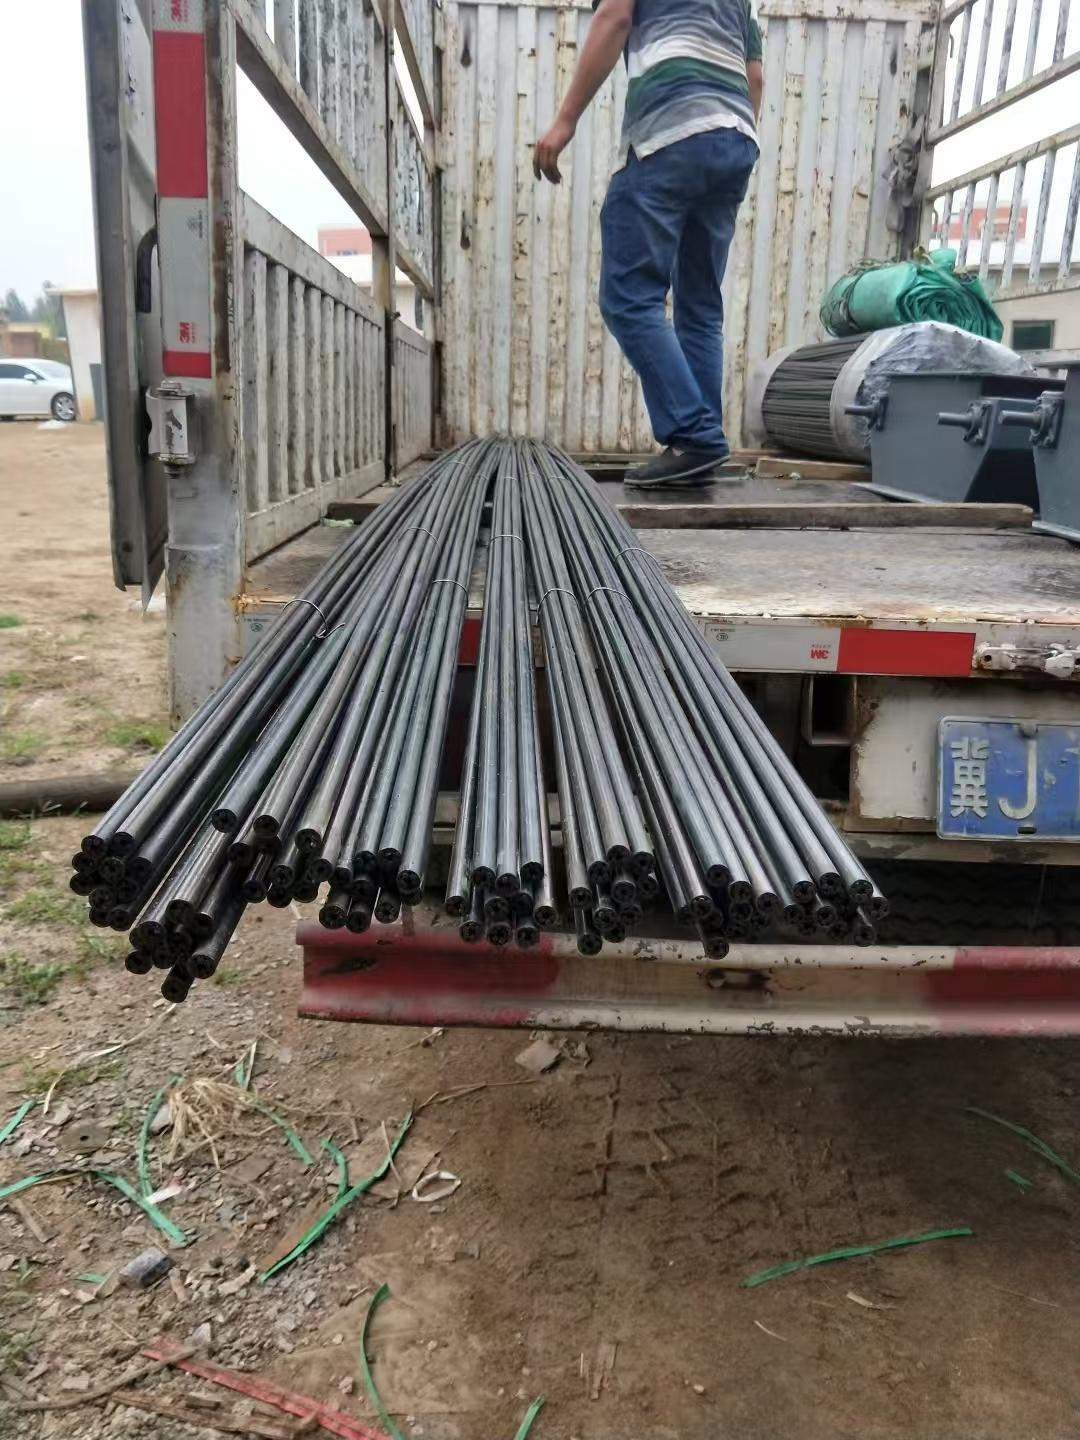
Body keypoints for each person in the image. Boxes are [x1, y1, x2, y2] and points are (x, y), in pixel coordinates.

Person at [534, 0, 763, 487]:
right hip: (737, 137)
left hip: (670, 130)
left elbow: (615, 16)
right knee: (701, 306)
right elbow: (755, 77)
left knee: (627, 296)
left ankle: (694, 434)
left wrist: (565, 120)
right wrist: (724, 135)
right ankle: (696, 449)